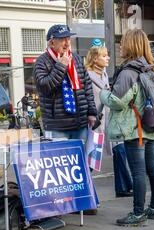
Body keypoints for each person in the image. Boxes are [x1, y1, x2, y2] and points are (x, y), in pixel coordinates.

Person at [100, 29, 154, 226]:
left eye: (123, 42)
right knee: (152, 168)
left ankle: (137, 213)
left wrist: (103, 94)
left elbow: (117, 101)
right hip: (150, 126)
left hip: (133, 128)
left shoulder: (128, 72)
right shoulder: (151, 69)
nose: (120, 46)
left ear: (131, 45)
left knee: (137, 171)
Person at [34, 24, 98, 215]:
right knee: (60, 167)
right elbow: (46, 87)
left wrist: (92, 112)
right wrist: (61, 65)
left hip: (79, 121)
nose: (67, 42)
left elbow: (86, 88)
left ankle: (86, 202)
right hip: (58, 123)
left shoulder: (77, 59)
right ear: (51, 41)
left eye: (68, 39)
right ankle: (63, 204)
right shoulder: (42, 62)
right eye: (63, 39)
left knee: (81, 164)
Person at [85, 44, 133, 198]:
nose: (108, 58)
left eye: (107, 55)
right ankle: (83, 191)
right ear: (94, 58)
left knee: (120, 151)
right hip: (96, 125)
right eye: (104, 55)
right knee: (92, 159)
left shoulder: (104, 75)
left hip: (110, 122)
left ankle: (123, 187)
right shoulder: (87, 76)